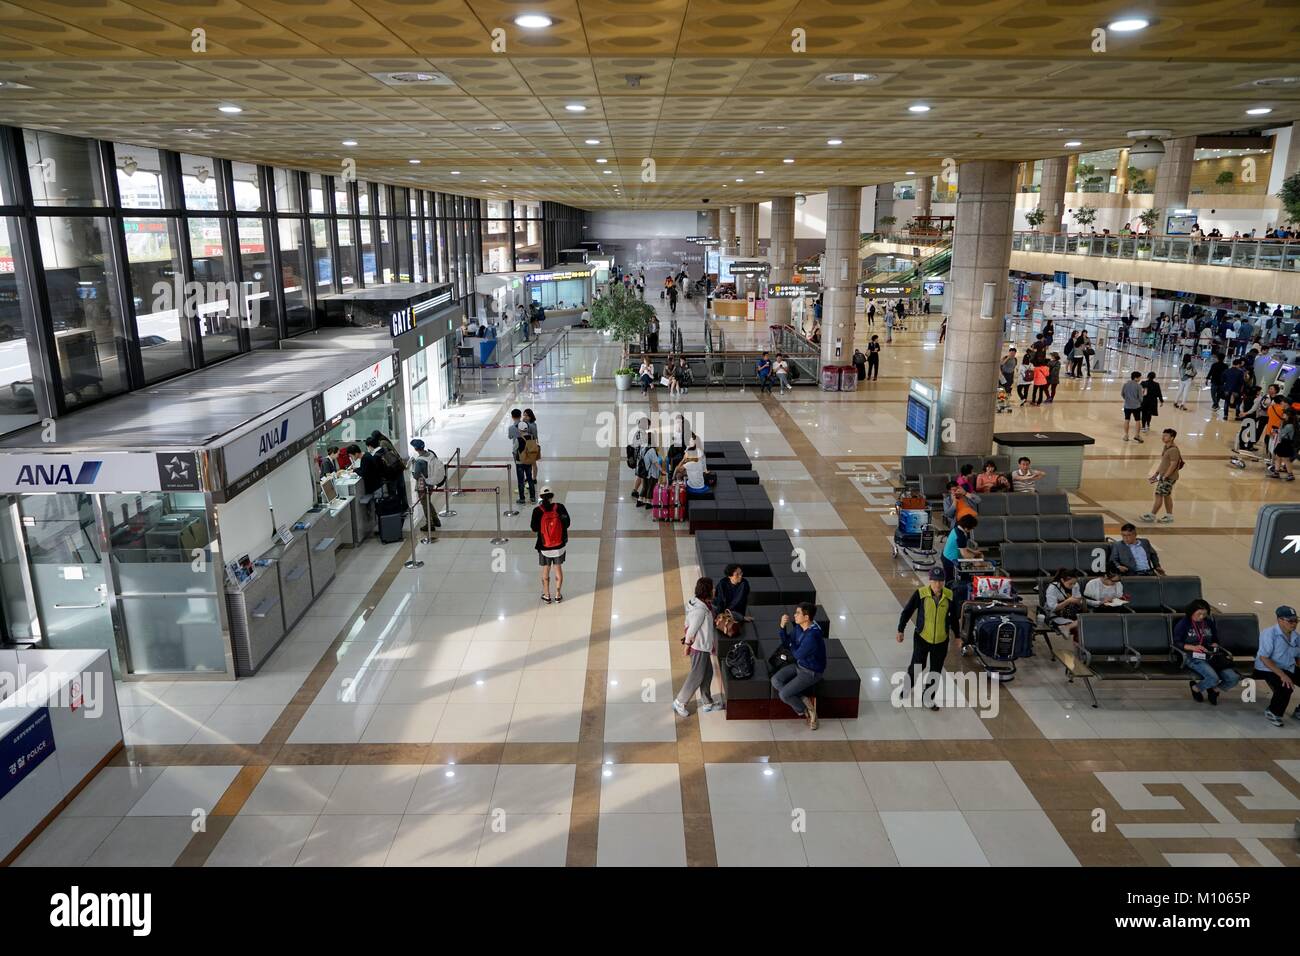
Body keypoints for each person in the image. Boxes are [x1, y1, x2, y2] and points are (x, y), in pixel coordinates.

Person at [895, 567, 961, 709]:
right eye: (935, 581)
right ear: (930, 580)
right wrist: (901, 629)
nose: (937, 584)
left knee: (936, 670)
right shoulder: (921, 594)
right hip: (922, 638)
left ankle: (928, 697)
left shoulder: (950, 596)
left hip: (941, 641)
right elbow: (907, 612)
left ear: (944, 582)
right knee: (917, 666)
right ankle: (907, 687)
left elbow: (954, 618)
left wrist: (958, 636)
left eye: (940, 581)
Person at [1173, 599, 1240, 704]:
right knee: (1213, 678)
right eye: (1199, 614)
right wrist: (1192, 647)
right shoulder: (1183, 624)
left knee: (1233, 678)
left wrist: (1214, 644)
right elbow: (1176, 642)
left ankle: (1214, 690)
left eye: (1204, 614)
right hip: (1193, 656)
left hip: (1211, 655)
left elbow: (1215, 638)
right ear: (1192, 612)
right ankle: (1196, 688)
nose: (1201, 617)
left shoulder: (1208, 622)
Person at [771, 602, 826, 730]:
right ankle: (804, 699)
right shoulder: (800, 627)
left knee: (784, 695)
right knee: (775, 680)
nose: (794, 615)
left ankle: (806, 710)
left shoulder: (813, 636)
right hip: (800, 665)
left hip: (811, 671)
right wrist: (782, 627)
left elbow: (797, 654)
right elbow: (787, 643)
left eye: (798, 613)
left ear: (806, 617)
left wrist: (791, 645)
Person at [673, 577, 722, 716]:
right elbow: (691, 630)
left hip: (703, 646)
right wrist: (687, 645)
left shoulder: (700, 603)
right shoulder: (700, 610)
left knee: (707, 674)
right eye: (712, 588)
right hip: (699, 647)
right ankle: (680, 702)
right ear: (707, 590)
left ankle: (707, 703)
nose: (714, 590)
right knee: (696, 675)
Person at [1255, 606, 1300, 727]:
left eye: (1296, 620)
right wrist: (1283, 675)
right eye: (1290, 621)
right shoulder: (1269, 634)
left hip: (1288, 666)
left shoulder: (1295, 636)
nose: (1294, 623)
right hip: (1267, 668)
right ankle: (1273, 712)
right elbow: (1264, 658)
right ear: (1280, 620)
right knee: (1286, 686)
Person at [530, 486, 570, 604]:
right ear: (552, 496)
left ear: (541, 497)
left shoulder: (537, 511)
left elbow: (534, 528)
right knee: (558, 568)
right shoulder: (560, 508)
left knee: (546, 570)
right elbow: (567, 523)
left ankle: (547, 595)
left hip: (544, 546)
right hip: (559, 545)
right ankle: (558, 594)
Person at [1141, 427, 1183, 524]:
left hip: (1168, 477)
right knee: (1166, 495)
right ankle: (1169, 516)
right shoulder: (1166, 447)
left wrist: (1165, 476)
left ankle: (1152, 515)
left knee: (1159, 494)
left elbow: (1173, 464)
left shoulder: (1173, 450)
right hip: (1164, 476)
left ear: (1172, 438)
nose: (1163, 437)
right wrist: (1156, 474)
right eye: (1163, 435)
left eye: (1166, 436)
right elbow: (1163, 463)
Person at [408, 438, 444, 536]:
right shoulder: (431, 454)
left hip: (423, 485)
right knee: (428, 501)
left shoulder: (419, 461)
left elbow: (416, 476)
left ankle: (430, 524)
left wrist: (413, 466)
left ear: (416, 449)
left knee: (425, 504)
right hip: (431, 481)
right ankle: (436, 520)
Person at [1043, 568, 1085, 640]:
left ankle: (1067, 627)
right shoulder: (1052, 588)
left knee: (1084, 623)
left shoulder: (1075, 585)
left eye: (1074, 583)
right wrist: (1068, 601)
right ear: (1062, 580)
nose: (1073, 586)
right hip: (1055, 614)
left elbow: (1078, 599)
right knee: (1080, 625)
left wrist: (1078, 601)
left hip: (1071, 613)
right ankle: (1067, 627)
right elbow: (1053, 608)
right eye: (1070, 584)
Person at [941, 512, 981, 583]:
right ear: (966, 528)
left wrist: (973, 552)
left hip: (945, 555)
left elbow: (963, 546)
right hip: (950, 560)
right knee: (950, 580)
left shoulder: (957, 527)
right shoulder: (961, 536)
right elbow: (964, 554)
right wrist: (975, 560)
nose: (972, 529)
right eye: (972, 528)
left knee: (949, 578)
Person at [508, 408, 537, 504]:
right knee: (529, 478)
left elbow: (514, 450)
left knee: (521, 480)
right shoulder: (531, 435)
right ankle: (533, 497)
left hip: (520, 461)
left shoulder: (516, 437)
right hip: (528, 459)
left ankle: (522, 498)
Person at [1270, 408, 1297, 481]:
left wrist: (1279, 427)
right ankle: (1276, 472)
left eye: (1284, 414)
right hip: (1283, 443)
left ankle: (1290, 475)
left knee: (1286, 460)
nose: (1283, 415)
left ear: (1289, 416)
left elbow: (1281, 434)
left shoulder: (1289, 426)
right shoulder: (1287, 424)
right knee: (1278, 457)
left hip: (1286, 443)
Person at [639, 440, 663, 511]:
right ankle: (648, 503)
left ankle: (640, 500)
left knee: (645, 487)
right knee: (651, 487)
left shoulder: (644, 448)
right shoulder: (652, 450)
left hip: (645, 471)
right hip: (651, 472)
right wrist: (662, 470)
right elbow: (655, 463)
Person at [1121, 371, 1144, 443]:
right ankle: (1137, 435)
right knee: (1137, 420)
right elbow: (1140, 398)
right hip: (1136, 406)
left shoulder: (1126, 384)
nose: (1140, 378)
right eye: (1140, 377)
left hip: (1127, 405)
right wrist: (1139, 401)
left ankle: (1126, 435)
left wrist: (1127, 399)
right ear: (1136, 378)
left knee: (1127, 419)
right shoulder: (1138, 386)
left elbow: (1122, 394)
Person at [522, 408, 540, 483]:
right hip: (524, 445)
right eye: (524, 415)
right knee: (526, 462)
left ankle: (534, 478)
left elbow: (535, 436)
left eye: (526, 416)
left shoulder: (532, 425)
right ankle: (528, 476)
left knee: (533, 462)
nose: (525, 417)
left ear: (530, 416)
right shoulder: (523, 424)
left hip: (531, 445)